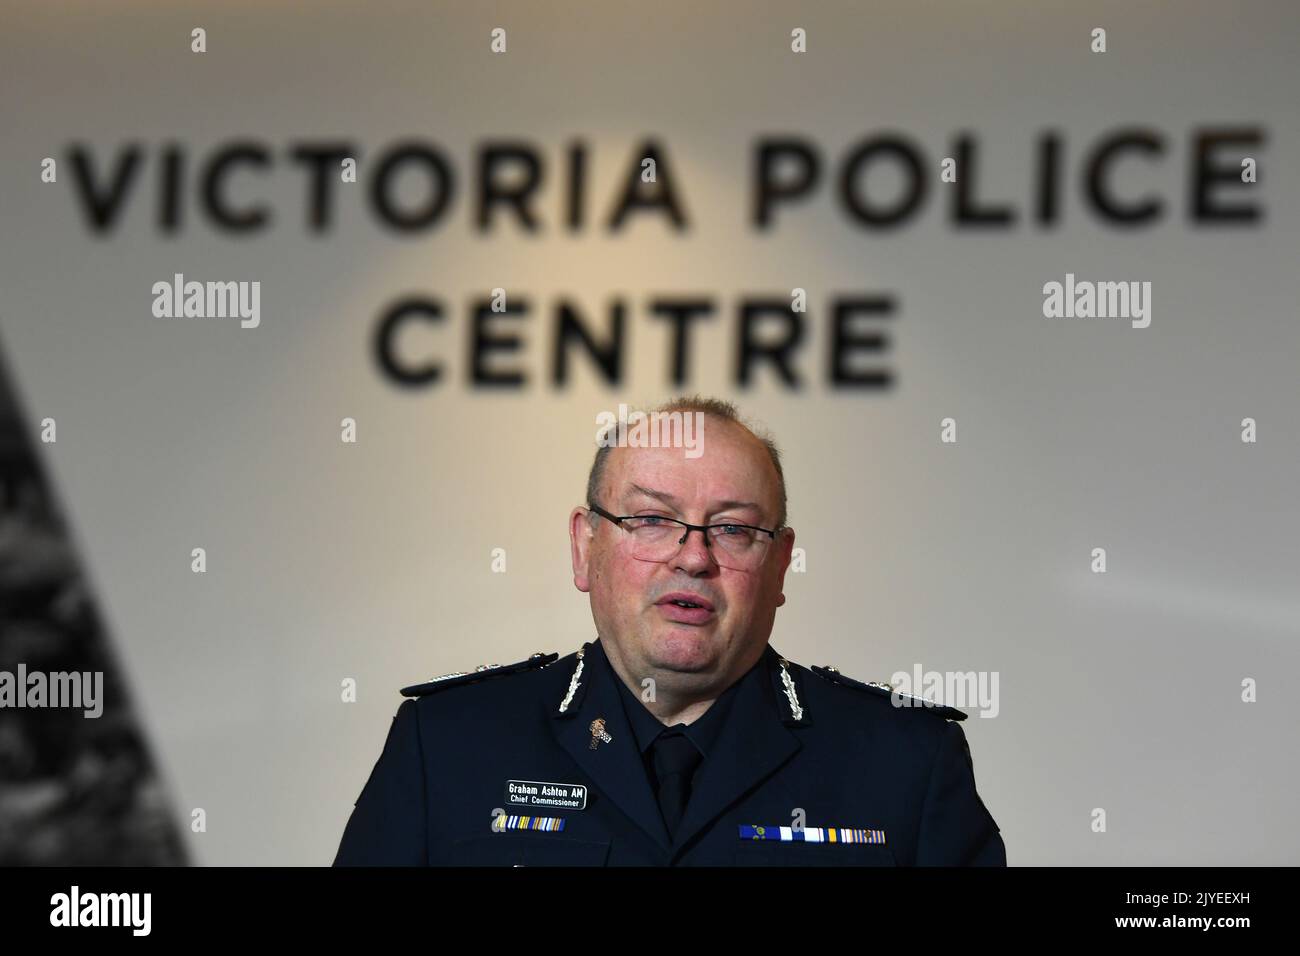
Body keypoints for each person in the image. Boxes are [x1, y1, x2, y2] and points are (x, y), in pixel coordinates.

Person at [333, 396, 1005, 865]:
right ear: (584, 548)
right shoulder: (447, 745)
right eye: (652, 520)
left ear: (779, 565)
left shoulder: (905, 763)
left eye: (734, 529)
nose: (693, 557)